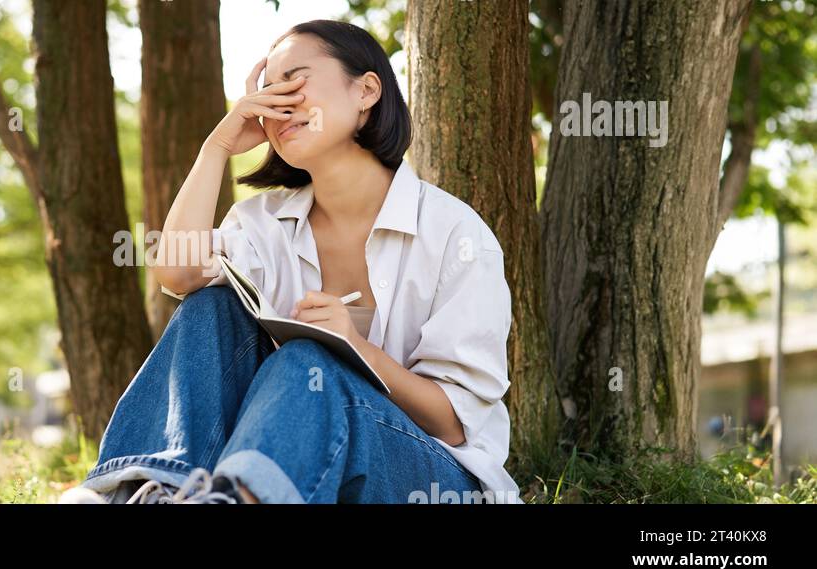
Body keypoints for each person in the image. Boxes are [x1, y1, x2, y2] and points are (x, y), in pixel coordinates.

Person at [60, 20, 520, 504]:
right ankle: (140, 489)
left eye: (295, 81)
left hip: (429, 477)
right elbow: (177, 272)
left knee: (308, 360)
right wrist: (216, 147)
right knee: (212, 305)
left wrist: (354, 348)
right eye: (268, 90)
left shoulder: (454, 233)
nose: (277, 103)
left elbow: (451, 423)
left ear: (366, 91)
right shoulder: (264, 221)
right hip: (303, 468)